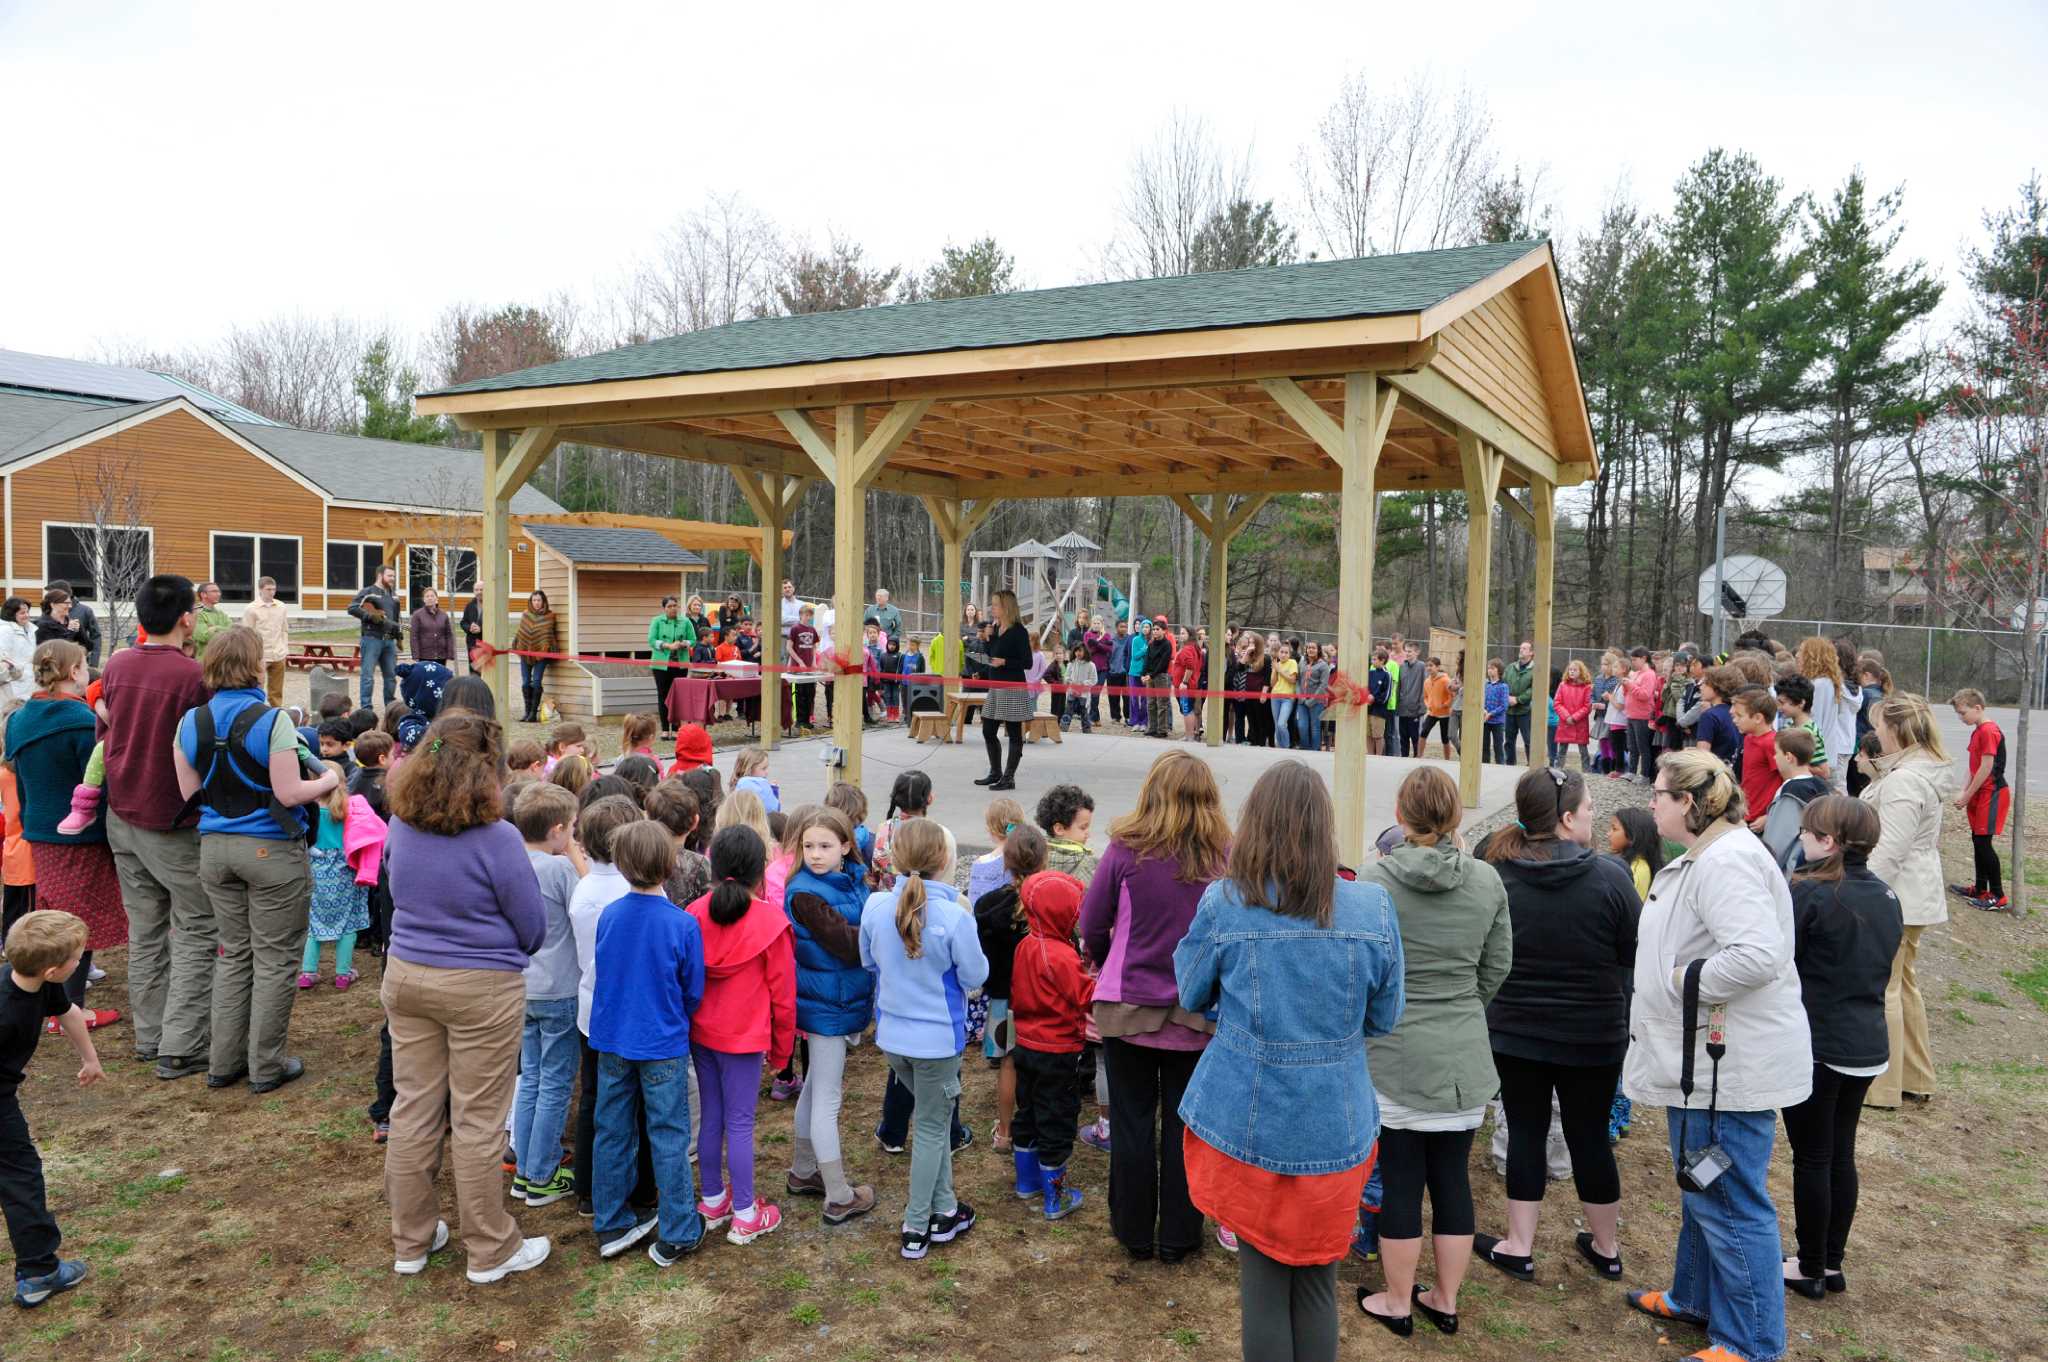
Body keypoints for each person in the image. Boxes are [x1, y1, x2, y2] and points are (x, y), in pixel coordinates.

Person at [1177, 761, 1405, 1362]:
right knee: (1317, 1281)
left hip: (1249, 1119)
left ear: (1253, 826)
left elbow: (1190, 991)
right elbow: (1384, 1017)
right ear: (1323, 826)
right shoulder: (1372, 907)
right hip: (1338, 1120)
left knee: (1263, 1282)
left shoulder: (1225, 904)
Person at [1624, 749, 1810, 1362]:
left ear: (1690, 803)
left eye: (1659, 793)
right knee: (1701, 1184)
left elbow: (1757, 956)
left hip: (1722, 1068)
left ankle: (1751, 1341)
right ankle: (1694, 1296)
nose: (1651, 802)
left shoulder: (1726, 862)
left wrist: (1681, 980)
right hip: (1702, 1064)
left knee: (1729, 1197)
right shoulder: (1713, 854)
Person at [380, 712, 550, 1283]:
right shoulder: (498, 839)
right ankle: (491, 1248)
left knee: (413, 1109)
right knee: (478, 1121)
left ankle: (413, 1239)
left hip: (408, 975)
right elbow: (532, 925)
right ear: (487, 769)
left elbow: (396, 891)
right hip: (481, 985)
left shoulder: (401, 824)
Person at [1358, 767, 1511, 1337]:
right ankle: (1444, 1297)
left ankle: (1399, 1299)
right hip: (1460, 1051)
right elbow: (1497, 967)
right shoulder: (1487, 882)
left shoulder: (1375, 882)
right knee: (1452, 1178)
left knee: (1400, 1179)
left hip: (1395, 1050)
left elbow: (1364, 968)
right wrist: (1463, 1005)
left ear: (1402, 814)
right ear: (1455, 817)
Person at [1472, 768, 1640, 1284]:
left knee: (1526, 1131)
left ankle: (1519, 1244)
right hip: (1594, 1034)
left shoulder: (1495, 875)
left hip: (1516, 1031)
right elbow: (1635, 951)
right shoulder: (1611, 877)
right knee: (1589, 1135)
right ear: (1566, 818)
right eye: (1589, 808)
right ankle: (1607, 1248)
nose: (1594, 815)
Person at [1079, 748, 1229, 1261]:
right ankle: (1180, 1235)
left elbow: (1092, 922)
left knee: (1131, 1121)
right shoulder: (1224, 857)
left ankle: (1134, 1230)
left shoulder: (1125, 851)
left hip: (1129, 1005)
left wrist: (1106, 961)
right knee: (1185, 1129)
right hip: (1197, 1012)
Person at [173, 628, 337, 1092]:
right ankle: (266, 1065)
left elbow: (189, 791)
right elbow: (288, 792)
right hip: (270, 850)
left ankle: (223, 1062)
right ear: (256, 666)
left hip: (214, 849)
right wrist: (327, 783)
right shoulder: (273, 720)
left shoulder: (190, 721)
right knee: (275, 959)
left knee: (234, 953)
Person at [1781, 795, 1901, 1299]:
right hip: (1866, 1043)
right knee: (1838, 1152)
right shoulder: (1888, 896)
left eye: (1807, 832)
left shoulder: (1810, 892)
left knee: (1813, 1155)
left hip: (1820, 1043)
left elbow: (1782, 963)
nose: (1801, 840)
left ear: (1827, 841)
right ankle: (1830, 1262)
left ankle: (1811, 1266)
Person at [99, 575, 215, 1079]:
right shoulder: (192, 676)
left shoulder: (118, 664)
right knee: (195, 927)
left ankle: (153, 1036)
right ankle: (180, 1044)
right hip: (168, 820)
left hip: (122, 813)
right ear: (187, 617)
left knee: (146, 933)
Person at [859, 816, 987, 1260]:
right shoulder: (954, 914)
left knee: (934, 1119)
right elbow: (975, 976)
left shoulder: (875, 907)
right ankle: (917, 1224)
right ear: (946, 860)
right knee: (933, 1129)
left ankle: (946, 1207)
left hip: (894, 1037)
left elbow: (869, 961)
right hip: (937, 1042)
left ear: (893, 858)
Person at [588, 818, 708, 1266]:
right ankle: (678, 1228)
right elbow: (693, 988)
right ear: (671, 863)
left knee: (612, 1129)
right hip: (662, 1043)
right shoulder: (681, 925)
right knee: (669, 1132)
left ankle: (611, 1220)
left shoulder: (610, 916)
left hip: (614, 1038)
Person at [684, 823, 795, 1247]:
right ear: (760, 870)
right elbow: (783, 995)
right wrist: (783, 1052)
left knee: (712, 1116)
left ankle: (713, 1200)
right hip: (745, 1039)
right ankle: (747, 1213)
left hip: (702, 1033)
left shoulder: (694, 914)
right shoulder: (771, 922)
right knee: (741, 1122)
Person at [4, 642, 124, 1029]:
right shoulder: (80, 720)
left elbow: (20, 779)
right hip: (78, 833)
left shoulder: (20, 719)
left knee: (53, 916)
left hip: (38, 829)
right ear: (74, 672)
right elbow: (95, 781)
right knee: (77, 923)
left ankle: (48, 999)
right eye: (85, 665)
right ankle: (69, 1008)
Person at [782, 806, 880, 1224]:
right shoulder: (806, 893)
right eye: (808, 846)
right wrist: (887, 932)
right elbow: (846, 942)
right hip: (827, 1006)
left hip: (836, 1001)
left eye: (824, 846)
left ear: (846, 846)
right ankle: (838, 1194)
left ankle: (805, 1171)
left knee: (816, 1087)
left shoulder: (851, 881)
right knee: (828, 1098)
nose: (815, 854)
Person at [1857, 692, 1954, 1109]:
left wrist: (1863, 897)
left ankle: (1882, 1087)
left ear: (1896, 729)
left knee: (1887, 989)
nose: (1875, 735)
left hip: (1898, 896)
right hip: (1913, 894)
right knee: (1905, 986)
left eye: (1879, 727)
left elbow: (1890, 850)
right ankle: (1915, 1075)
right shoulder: (1920, 771)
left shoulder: (1904, 780)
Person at [2, 910, 103, 1309]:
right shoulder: (6, 1012)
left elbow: (69, 1012)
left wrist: (90, 1059)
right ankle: (38, 1273)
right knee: (20, 1179)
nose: (81, 962)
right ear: (51, 970)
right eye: (77, 958)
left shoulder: (40, 986)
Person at [509, 781, 582, 1209]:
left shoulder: (511, 864)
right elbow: (588, 905)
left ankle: (525, 1168)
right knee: (554, 1081)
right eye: (571, 828)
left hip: (522, 987)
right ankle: (541, 1173)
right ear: (557, 830)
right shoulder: (559, 870)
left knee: (531, 1077)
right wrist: (575, 856)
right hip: (558, 989)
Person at [1008, 870, 1094, 1220]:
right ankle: (1054, 1198)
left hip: (1026, 1045)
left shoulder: (1025, 945)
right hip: (1059, 1051)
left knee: (1027, 1112)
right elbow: (1085, 996)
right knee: (1056, 1118)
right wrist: (1098, 979)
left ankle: (1026, 1181)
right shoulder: (1061, 955)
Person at [975, 824, 1045, 1152]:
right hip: (1043, 999)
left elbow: (984, 958)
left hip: (1005, 999)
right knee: (1044, 1067)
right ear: (1044, 860)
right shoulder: (1050, 903)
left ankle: (1004, 1133)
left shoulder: (988, 906)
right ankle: (1040, 1127)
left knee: (1008, 1065)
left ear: (1007, 862)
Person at [296, 761, 380, 992]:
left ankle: (307, 972)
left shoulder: (307, 807)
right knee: (347, 925)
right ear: (342, 781)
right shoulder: (351, 807)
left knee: (313, 924)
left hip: (316, 871)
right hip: (345, 871)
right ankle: (343, 974)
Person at [1950, 688, 2009, 910]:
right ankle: (1980, 888)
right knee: (1977, 840)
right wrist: (1963, 790)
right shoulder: (1977, 731)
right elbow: (1972, 766)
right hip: (1978, 793)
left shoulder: (1989, 731)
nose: (1961, 717)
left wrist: (1967, 795)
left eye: (1963, 712)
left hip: (1992, 793)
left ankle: (1998, 895)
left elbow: (1986, 767)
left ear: (1978, 708)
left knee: (1984, 843)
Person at [968, 590, 1033, 791]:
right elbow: (992, 655)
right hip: (995, 687)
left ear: (1006, 607)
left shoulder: (1019, 631)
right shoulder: (995, 628)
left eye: (995, 604)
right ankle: (995, 772)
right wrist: (988, 640)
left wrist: (1005, 662)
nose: (992, 608)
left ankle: (1008, 777)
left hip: (1013, 686)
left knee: (1014, 733)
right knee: (988, 730)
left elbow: (1027, 662)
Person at [1795, 638, 1851, 794]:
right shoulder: (1828, 683)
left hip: (1819, 757)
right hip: (1826, 754)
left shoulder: (1819, 685)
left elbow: (1814, 722)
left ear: (1813, 656)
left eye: (1802, 651)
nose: (1797, 655)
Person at [348, 565, 404, 708]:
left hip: (389, 641)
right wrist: (370, 616)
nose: (393, 579)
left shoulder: (394, 595)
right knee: (367, 677)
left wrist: (399, 637)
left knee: (391, 677)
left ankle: (390, 707)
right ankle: (366, 709)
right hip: (371, 639)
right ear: (380, 576)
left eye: (393, 576)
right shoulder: (368, 592)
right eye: (389, 576)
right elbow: (352, 608)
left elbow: (397, 618)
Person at [1731, 688, 1782, 829]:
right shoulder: (1748, 738)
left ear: (1758, 718)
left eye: (1739, 716)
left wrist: (1770, 816)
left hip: (1761, 818)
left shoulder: (1771, 743)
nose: (1735, 720)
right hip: (1746, 812)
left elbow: (1788, 782)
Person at [647, 596, 693, 735]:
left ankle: (676, 727)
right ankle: (665, 729)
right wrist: (668, 645)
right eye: (669, 606)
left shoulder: (685, 621)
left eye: (675, 606)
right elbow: (651, 640)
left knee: (679, 696)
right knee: (663, 695)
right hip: (661, 665)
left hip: (680, 665)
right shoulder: (656, 621)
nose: (673, 608)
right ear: (664, 608)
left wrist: (684, 643)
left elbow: (693, 640)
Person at [512, 591, 559, 725]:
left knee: (536, 682)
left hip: (541, 654)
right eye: (534, 600)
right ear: (531, 601)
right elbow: (521, 633)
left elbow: (548, 636)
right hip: (525, 653)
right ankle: (527, 712)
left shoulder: (549, 616)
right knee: (526, 682)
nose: (536, 603)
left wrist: (546, 648)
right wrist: (518, 645)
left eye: (539, 600)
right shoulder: (526, 615)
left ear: (544, 602)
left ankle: (533, 713)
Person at [244, 576, 292, 708]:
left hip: (278, 653)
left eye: (274, 589)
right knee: (257, 685)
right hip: (260, 655)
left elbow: (284, 629)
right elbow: (247, 633)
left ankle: (277, 710)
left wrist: (284, 648)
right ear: (260, 590)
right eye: (268, 589)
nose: (271, 592)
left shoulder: (281, 607)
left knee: (277, 688)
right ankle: (256, 709)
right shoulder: (251, 609)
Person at [1607, 806, 1666, 901]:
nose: (1608, 834)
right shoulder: (1630, 864)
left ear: (1632, 837)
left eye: (1614, 829)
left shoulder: (1637, 870)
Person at [1691, 665, 1741, 766]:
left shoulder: (1709, 716)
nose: (1701, 686)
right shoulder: (1738, 712)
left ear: (1717, 687)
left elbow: (1703, 755)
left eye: (1705, 683)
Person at [1551, 659, 1591, 770]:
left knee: (1583, 750)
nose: (1572, 672)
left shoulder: (1586, 687)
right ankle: (1558, 769)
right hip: (1565, 723)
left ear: (1581, 672)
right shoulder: (1562, 685)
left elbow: (1587, 706)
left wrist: (1574, 717)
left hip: (1580, 724)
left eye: (1575, 670)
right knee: (1562, 749)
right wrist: (1567, 716)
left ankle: (1587, 771)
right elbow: (1557, 703)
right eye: (1570, 670)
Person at [787, 603, 820, 730]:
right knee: (799, 693)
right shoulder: (795, 629)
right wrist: (799, 661)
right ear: (801, 615)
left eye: (810, 615)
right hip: (798, 667)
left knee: (810, 692)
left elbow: (813, 647)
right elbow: (789, 647)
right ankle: (799, 720)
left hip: (809, 667)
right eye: (806, 615)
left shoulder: (812, 630)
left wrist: (814, 662)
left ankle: (807, 719)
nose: (808, 617)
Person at [0, 599, 34, 718]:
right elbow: (3, 659)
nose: (27, 616)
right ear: (11, 614)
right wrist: (15, 670)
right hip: (12, 685)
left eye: (27, 612)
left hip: (29, 683)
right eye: (22, 613)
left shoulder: (31, 629)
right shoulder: (5, 631)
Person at [1504, 641, 1535, 764]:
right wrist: (1507, 697)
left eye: (1525, 648)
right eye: (1521, 648)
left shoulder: (1535, 670)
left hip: (1525, 711)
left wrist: (1518, 699)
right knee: (1509, 741)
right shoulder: (1511, 667)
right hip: (1510, 711)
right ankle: (1510, 764)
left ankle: (1531, 765)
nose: (1521, 650)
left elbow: (1534, 689)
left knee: (1528, 741)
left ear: (1531, 653)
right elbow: (1503, 683)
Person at [1298, 640, 1332, 752]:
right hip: (1302, 701)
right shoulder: (1302, 663)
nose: (1310, 650)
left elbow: (1323, 685)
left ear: (1318, 650)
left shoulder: (1323, 665)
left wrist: (1312, 700)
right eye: (1308, 648)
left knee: (1315, 727)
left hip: (1317, 702)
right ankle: (1305, 748)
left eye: (1313, 648)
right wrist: (1301, 696)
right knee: (1302, 726)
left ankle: (1315, 750)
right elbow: (1298, 681)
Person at [1395, 642, 1426, 758]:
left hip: (1415, 710)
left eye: (1410, 651)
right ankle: (1404, 760)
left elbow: (1424, 687)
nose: (1407, 653)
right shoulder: (1402, 667)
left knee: (1415, 738)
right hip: (1403, 709)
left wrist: (1421, 707)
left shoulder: (1422, 667)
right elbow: (1398, 688)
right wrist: (1397, 706)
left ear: (1417, 653)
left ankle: (1417, 760)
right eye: (1406, 651)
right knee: (1403, 738)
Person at [1270, 639, 1301, 749]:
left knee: (1281, 724)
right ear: (1278, 653)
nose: (1283, 654)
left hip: (1287, 698)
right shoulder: (1277, 664)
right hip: (1275, 696)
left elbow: (1292, 680)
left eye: (1286, 652)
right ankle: (1280, 747)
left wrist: (1279, 670)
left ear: (1290, 654)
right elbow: (1272, 683)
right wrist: (1275, 670)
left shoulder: (1292, 663)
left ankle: (1286, 746)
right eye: (1281, 652)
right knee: (1276, 725)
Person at [1061, 642, 1097, 734]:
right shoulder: (1071, 664)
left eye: (1080, 651)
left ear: (1085, 651)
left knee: (1084, 714)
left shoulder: (1091, 665)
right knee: (1068, 712)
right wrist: (1070, 682)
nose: (1078, 653)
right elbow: (1066, 677)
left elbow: (1094, 680)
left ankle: (1087, 731)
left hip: (1084, 695)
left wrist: (1082, 684)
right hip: (1072, 693)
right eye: (1076, 651)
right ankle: (1063, 730)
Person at [189, 581, 232, 655]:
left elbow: (232, 633)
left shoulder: (221, 614)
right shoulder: (196, 613)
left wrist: (215, 628)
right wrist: (223, 629)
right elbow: (202, 636)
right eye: (214, 591)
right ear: (203, 594)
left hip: (221, 657)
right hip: (203, 659)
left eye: (219, 591)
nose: (219, 594)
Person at [1107, 620, 1132, 728]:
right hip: (1113, 672)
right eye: (1121, 626)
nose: (1124, 628)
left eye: (1125, 627)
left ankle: (1128, 717)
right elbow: (1107, 656)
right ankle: (1115, 717)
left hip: (1126, 673)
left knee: (1127, 698)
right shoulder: (1111, 640)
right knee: (1113, 697)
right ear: (1117, 628)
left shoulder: (1130, 640)